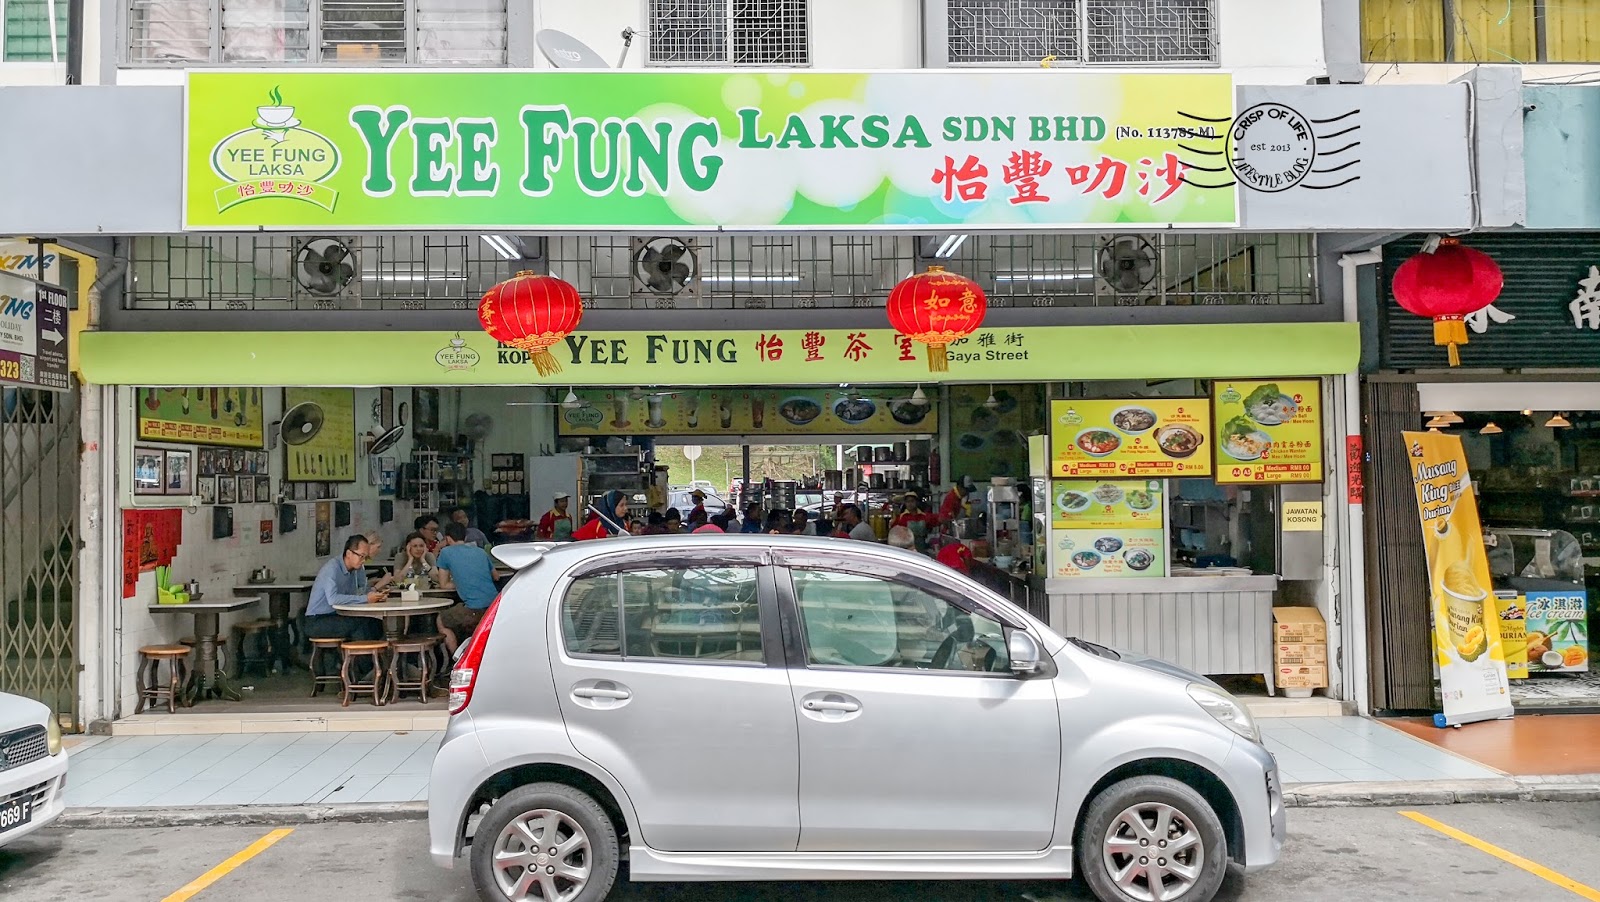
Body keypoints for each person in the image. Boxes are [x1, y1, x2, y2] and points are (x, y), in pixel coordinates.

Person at [304, 535, 387, 647]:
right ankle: (361, 662)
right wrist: (365, 599)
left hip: (337, 615)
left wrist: (375, 595)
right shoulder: (332, 568)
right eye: (361, 556)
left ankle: (370, 658)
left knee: (375, 624)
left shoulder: (356, 569)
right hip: (317, 620)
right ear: (348, 553)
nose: (363, 561)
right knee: (360, 625)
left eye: (365, 558)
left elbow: (360, 591)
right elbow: (333, 599)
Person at [436, 523, 498, 654]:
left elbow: (443, 584)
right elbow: (496, 576)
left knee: (441, 619)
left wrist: (460, 581)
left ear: (447, 538)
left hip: (473, 609)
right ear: (465, 536)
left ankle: (456, 658)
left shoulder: (445, 552)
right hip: (494, 606)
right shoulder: (480, 552)